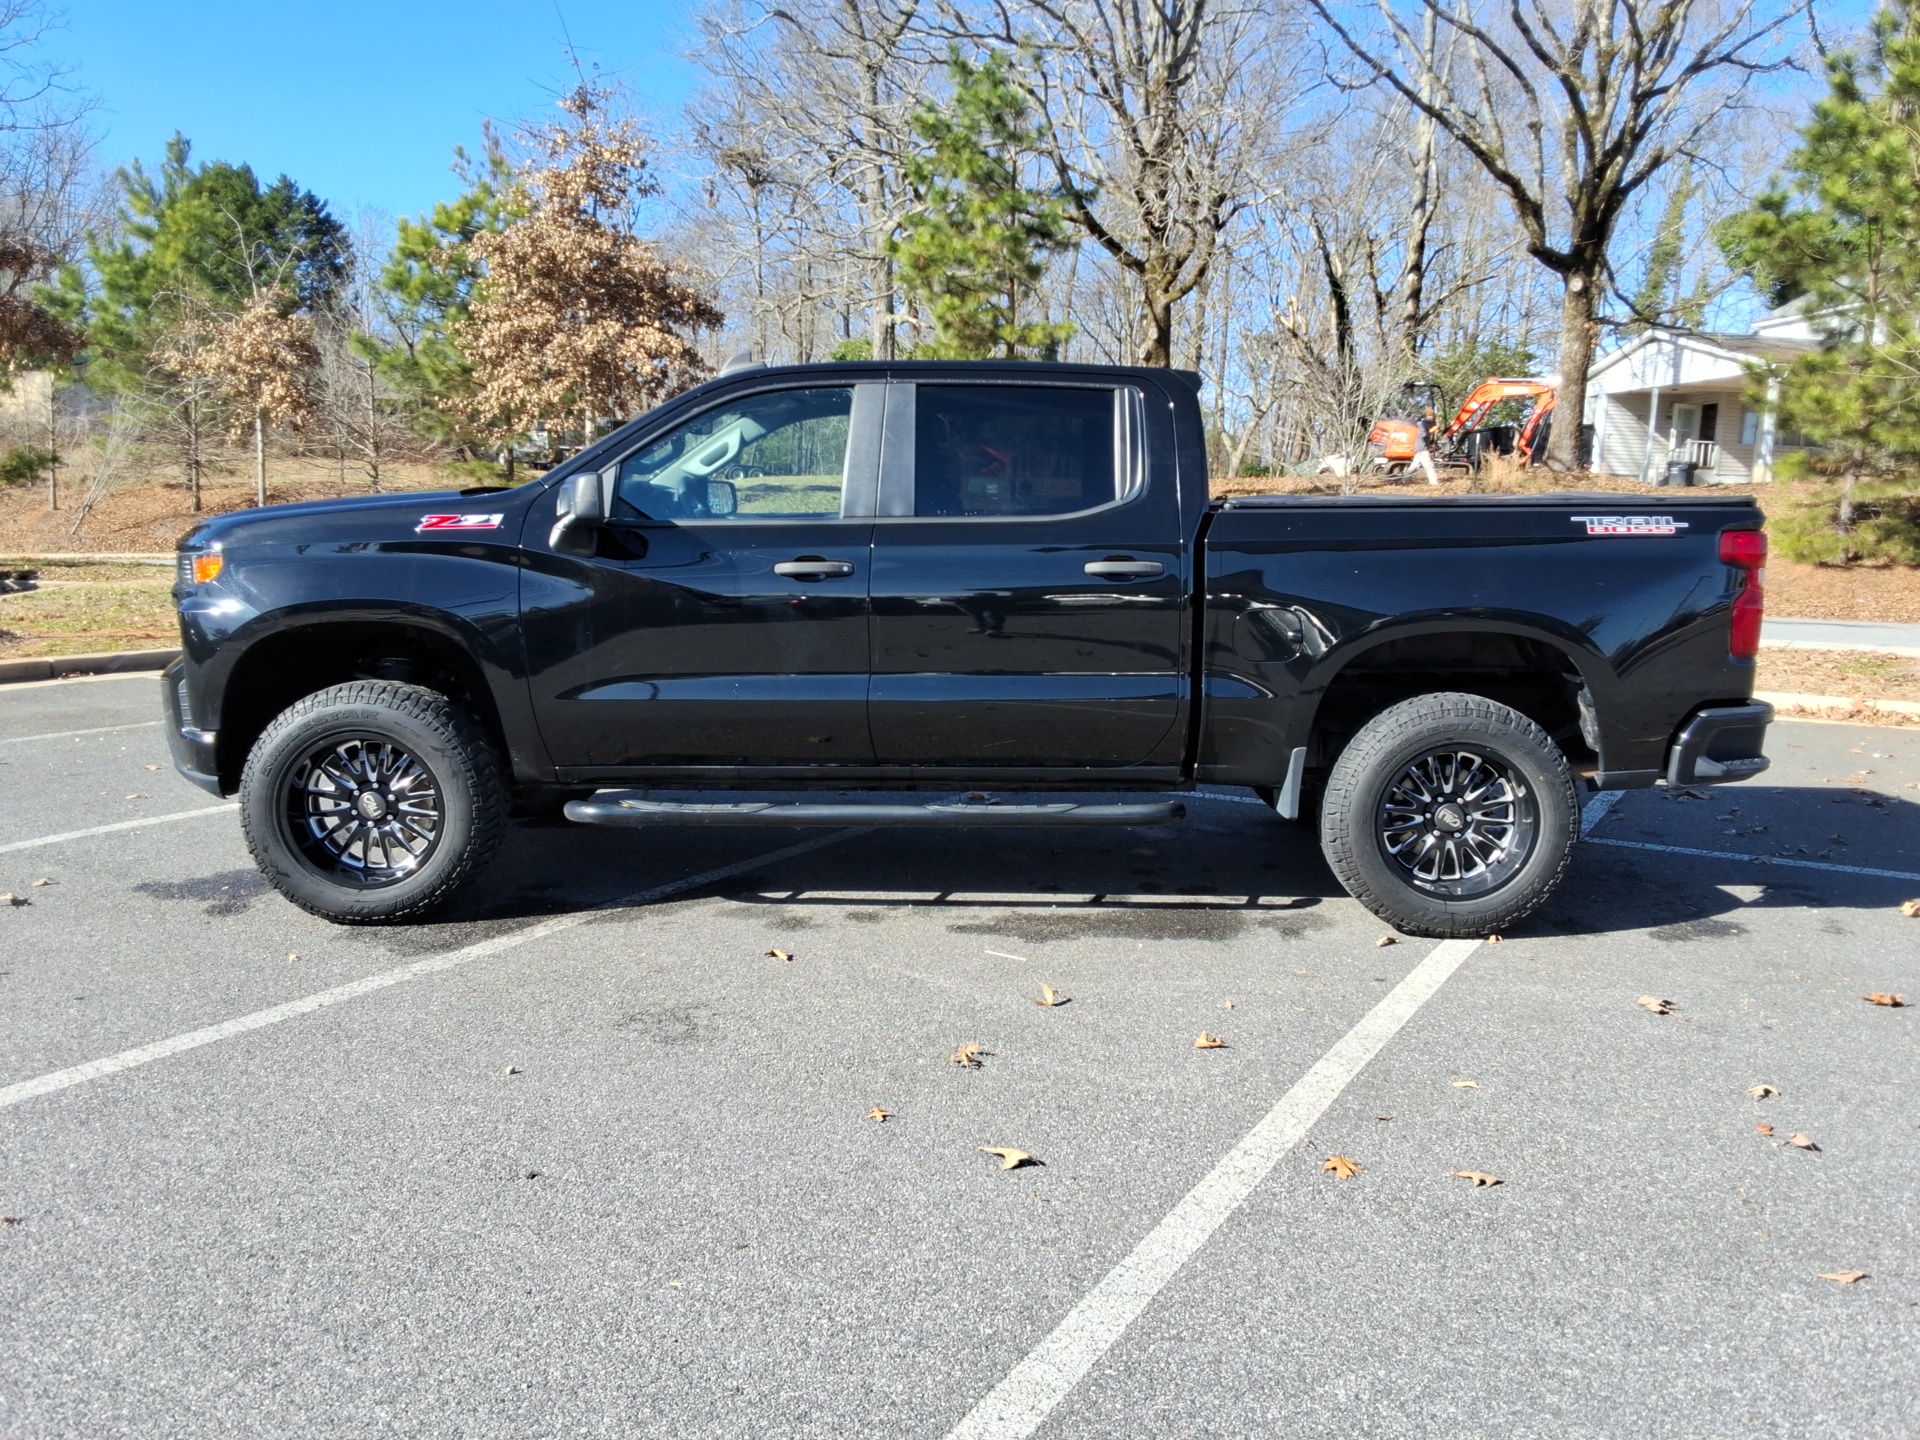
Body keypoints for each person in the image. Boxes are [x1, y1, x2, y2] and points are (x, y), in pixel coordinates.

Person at [1413, 406, 1440, 485]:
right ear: (1427, 416)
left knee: (1414, 467)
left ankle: (1404, 480)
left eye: (1432, 416)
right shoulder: (1422, 424)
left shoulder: (1428, 423)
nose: (1432, 417)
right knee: (1429, 466)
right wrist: (1430, 432)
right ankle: (1434, 483)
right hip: (1422, 448)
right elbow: (1423, 435)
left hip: (1420, 448)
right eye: (1430, 416)